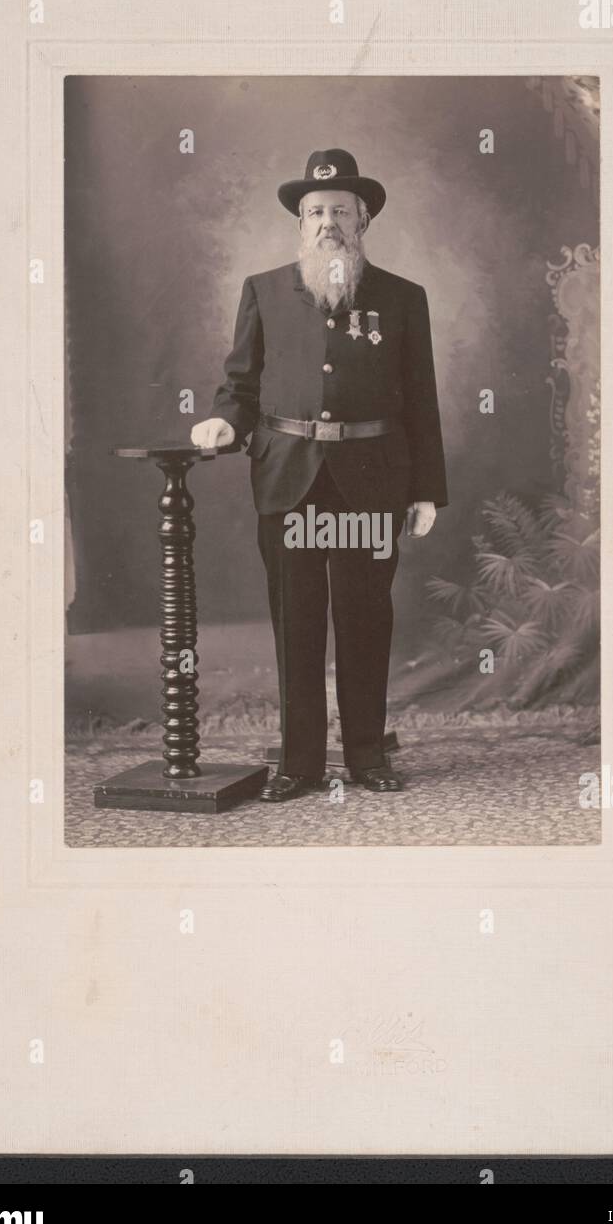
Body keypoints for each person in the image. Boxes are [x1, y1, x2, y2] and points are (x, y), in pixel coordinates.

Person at [192, 149, 448, 801]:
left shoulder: (400, 297)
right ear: (298, 224)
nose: (326, 221)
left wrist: (425, 490)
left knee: (365, 620)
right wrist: (225, 423)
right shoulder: (264, 291)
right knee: (296, 622)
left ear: (363, 220)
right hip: (287, 478)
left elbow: (420, 398)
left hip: (372, 478)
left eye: (339, 210)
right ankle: (300, 765)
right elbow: (239, 383)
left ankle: (366, 759)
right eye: (314, 211)